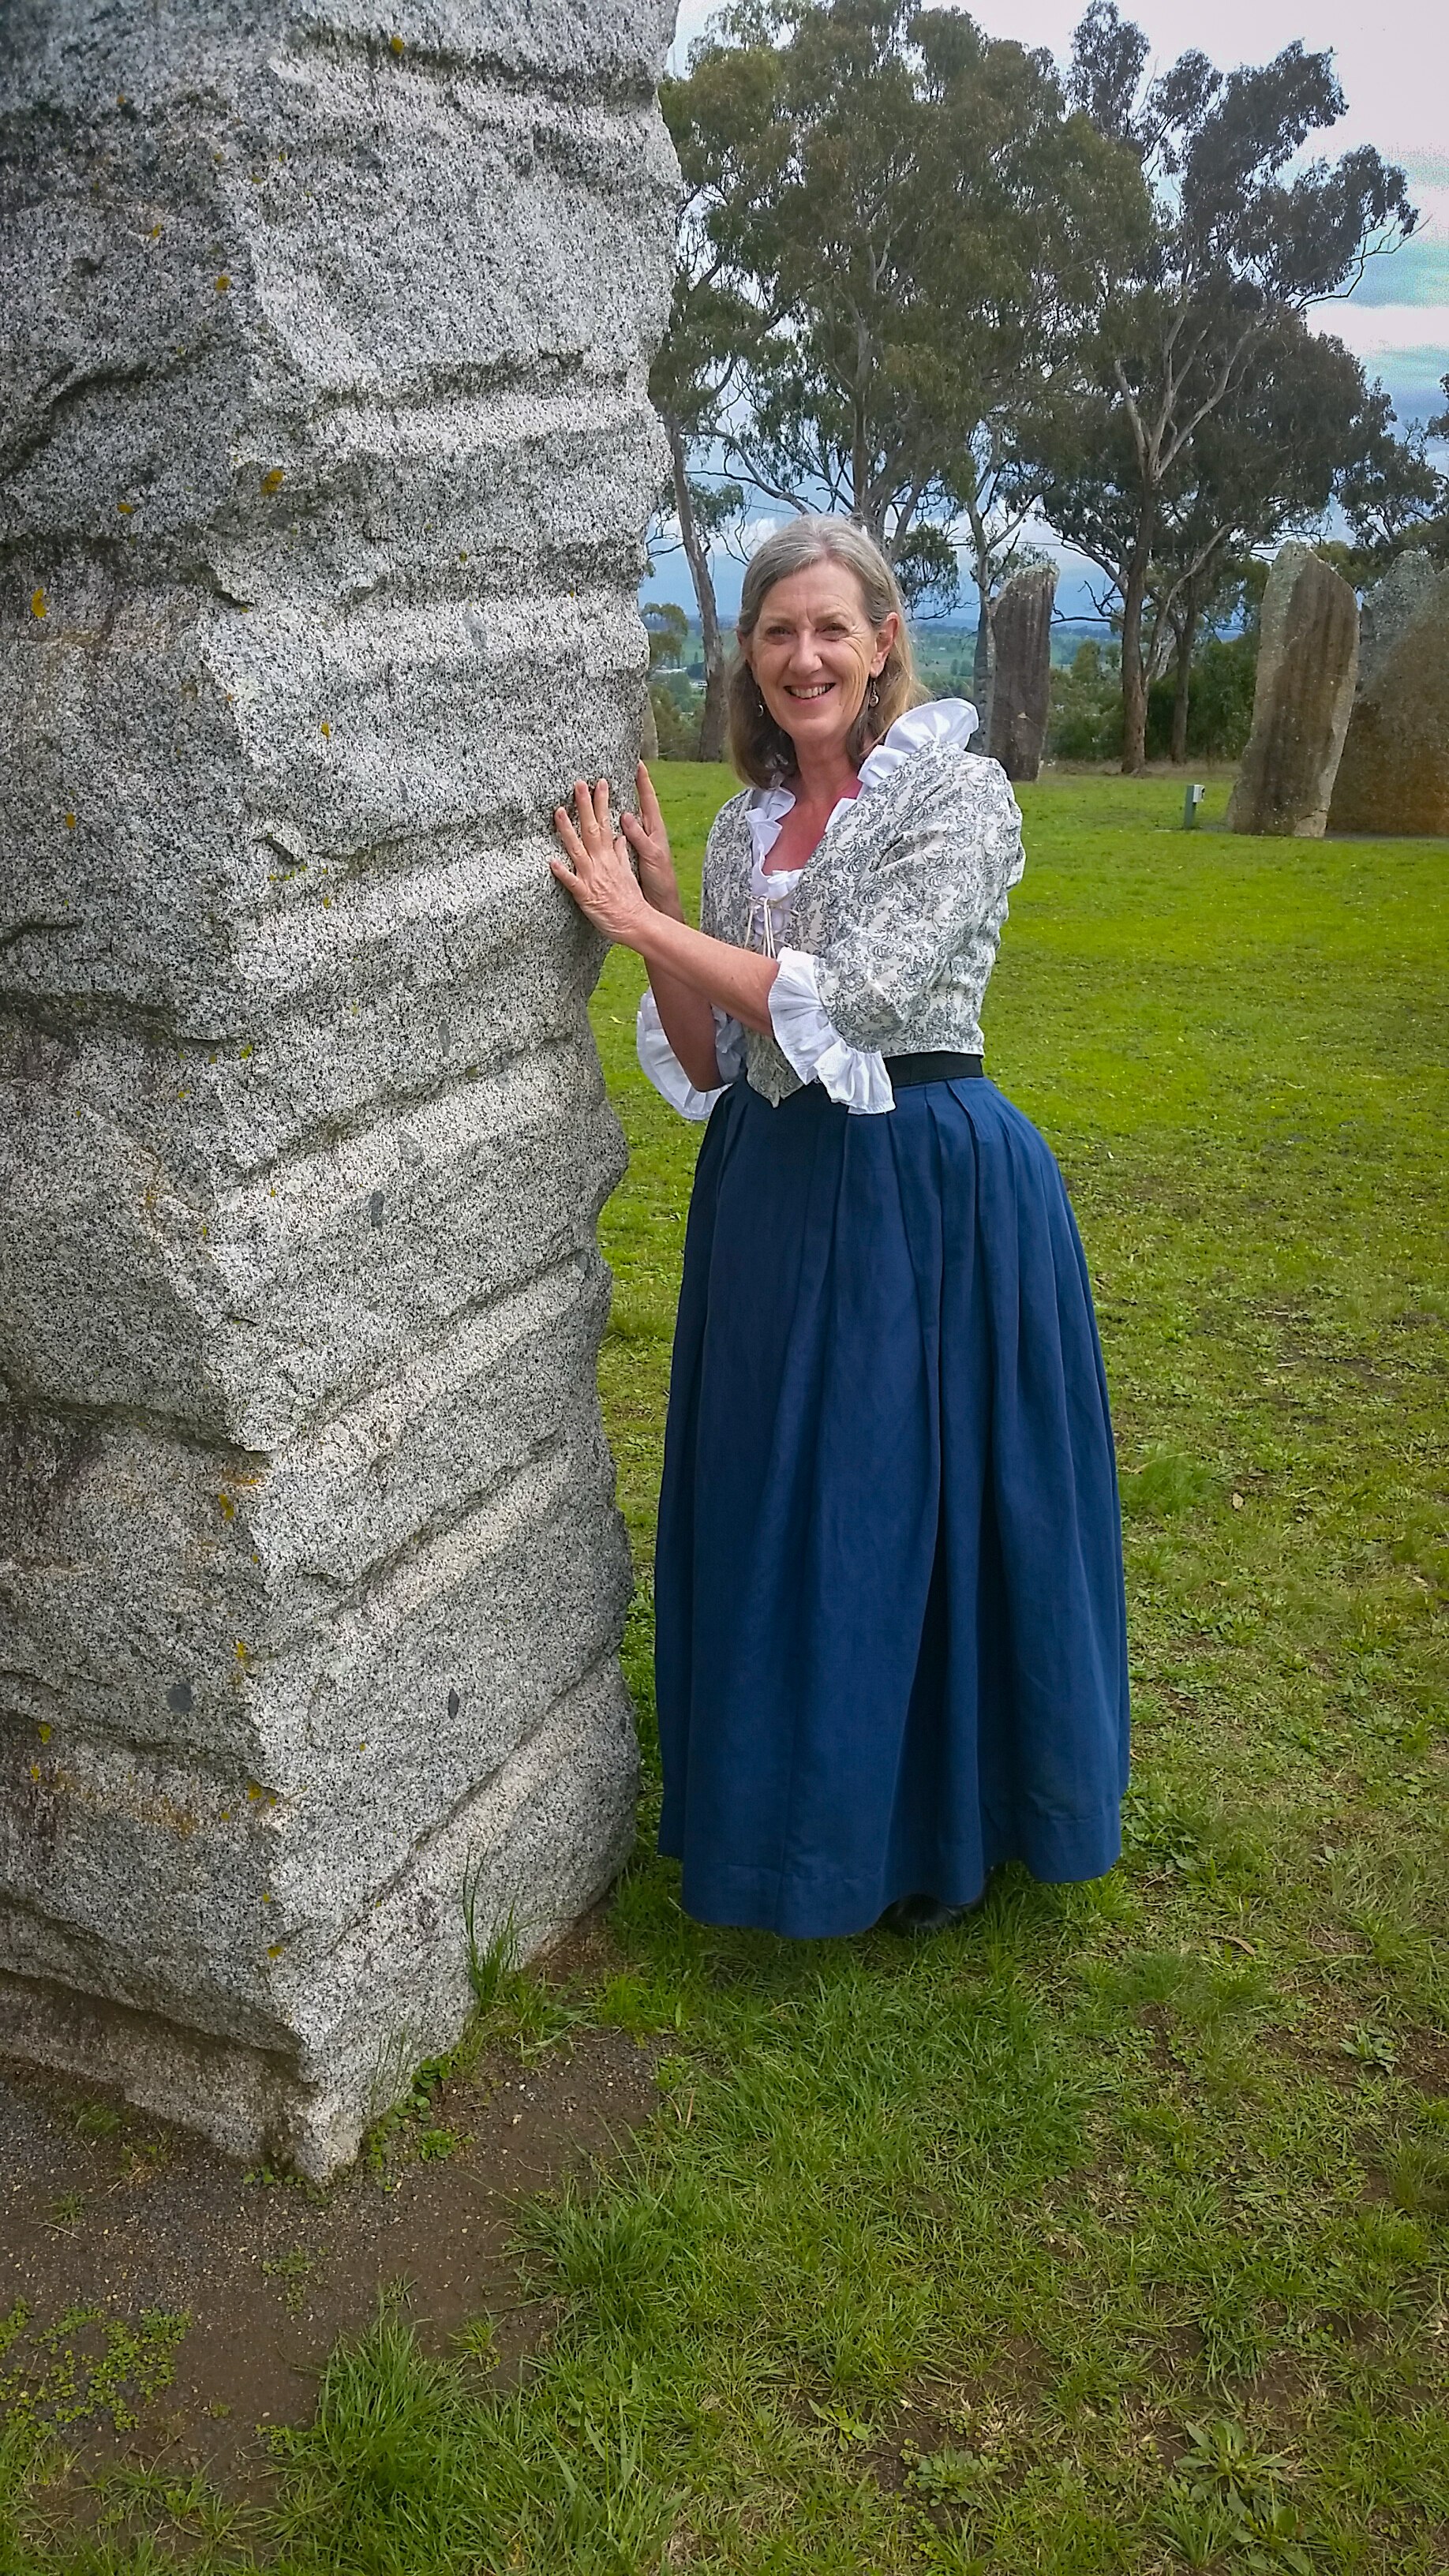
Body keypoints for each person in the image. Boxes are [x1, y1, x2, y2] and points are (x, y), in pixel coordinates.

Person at [551, 515, 1128, 1940]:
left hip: (924, 1185)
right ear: (749, 660)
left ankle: (931, 1821)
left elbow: (852, 1003)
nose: (803, 657)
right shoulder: (746, 827)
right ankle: (787, 1816)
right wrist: (674, 914)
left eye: (830, 629)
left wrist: (643, 922)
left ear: (882, 646)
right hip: (773, 1185)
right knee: (780, 1495)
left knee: (901, 1500)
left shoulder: (958, 795)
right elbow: (717, 1053)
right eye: (775, 632)